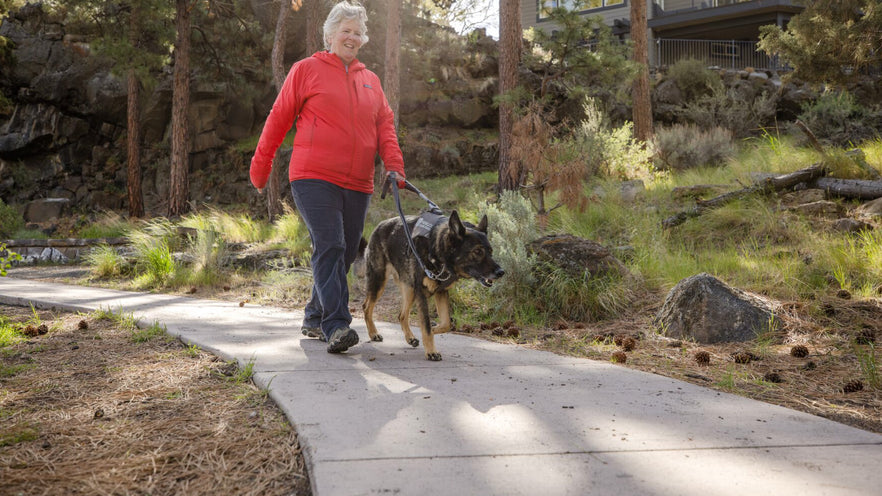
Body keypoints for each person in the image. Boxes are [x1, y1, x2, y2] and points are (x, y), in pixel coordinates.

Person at [250, 1, 406, 354]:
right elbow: (278, 119)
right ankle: (335, 325)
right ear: (330, 35)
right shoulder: (306, 70)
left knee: (346, 251)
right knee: (331, 244)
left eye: (357, 32)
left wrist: (394, 166)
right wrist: (261, 169)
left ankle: (313, 314)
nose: (351, 37)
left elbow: (385, 126)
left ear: (362, 39)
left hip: (358, 182)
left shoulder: (371, 81)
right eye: (345, 31)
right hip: (313, 176)